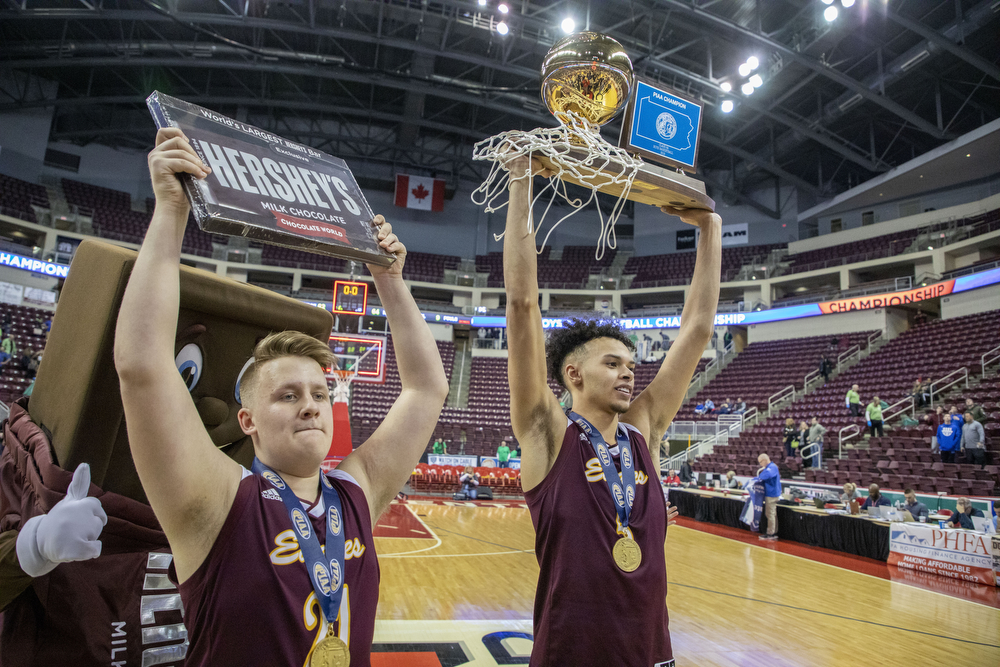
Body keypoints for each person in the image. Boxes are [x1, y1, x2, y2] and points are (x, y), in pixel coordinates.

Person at [113, 128, 450, 666]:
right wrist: (172, 211)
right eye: (288, 396)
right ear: (247, 420)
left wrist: (389, 279)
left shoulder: (356, 492)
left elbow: (427, 388)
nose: (311, 404)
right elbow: (144, 367)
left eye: (319, 392)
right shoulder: (217, 500)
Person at [501, 154, 717, 666]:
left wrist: (710, 229)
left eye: (631, 365)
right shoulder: (547, 432)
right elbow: (523, 306)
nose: (629, 373)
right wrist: (520, 182)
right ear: (573, 374)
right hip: (571, 654)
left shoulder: (644, 430)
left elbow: (697, 329)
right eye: (613, 363)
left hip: (650, 653)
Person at [756, 454, 781, 541]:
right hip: (771, 494)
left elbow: (765, 475)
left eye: (760, 462)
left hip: (772, 494)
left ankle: (770, 534)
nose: (760, 464)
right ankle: (773, 532)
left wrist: (761, 475)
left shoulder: (772, 467)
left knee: (770, 514)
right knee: (772, 514)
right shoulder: (769, 468)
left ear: (764, 460)